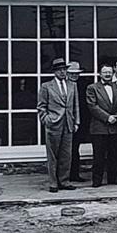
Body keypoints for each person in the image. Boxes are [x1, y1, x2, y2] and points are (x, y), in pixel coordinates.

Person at [37, 58, 79, 193]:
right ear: (54, 71)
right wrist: (46, 119)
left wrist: (76, 121)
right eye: (59, 70)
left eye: (64, 69)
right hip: (53, 124)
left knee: (66, 154)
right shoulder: (46, 86)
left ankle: (64, 181)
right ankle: (53, 183)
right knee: (53, 154)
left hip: (68, 123)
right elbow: (41, 107)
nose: (62, 72)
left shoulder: (72, 85)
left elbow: (75, 105)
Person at [84, 65, 117, 187]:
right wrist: (107, 117)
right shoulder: (92, 88)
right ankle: (97, 180)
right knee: (99, 156)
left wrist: (116, 116)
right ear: (100, 74)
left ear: (113, 73)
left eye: (109, 72)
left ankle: (114, 178)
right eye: (104, 72)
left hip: (115, 127)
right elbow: (92, 106)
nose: (107, 74)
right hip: (99, 128)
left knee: (115, 154)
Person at [65, 62, 87, 182]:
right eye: (72, 73)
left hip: (79, 123)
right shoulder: (63, 85)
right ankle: (64, 175)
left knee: (75, 149)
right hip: (64, 122)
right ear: (67, 73)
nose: (74, 76)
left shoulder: (83, 86)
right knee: (64, 150)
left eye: (76, 74)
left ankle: (74, 174)